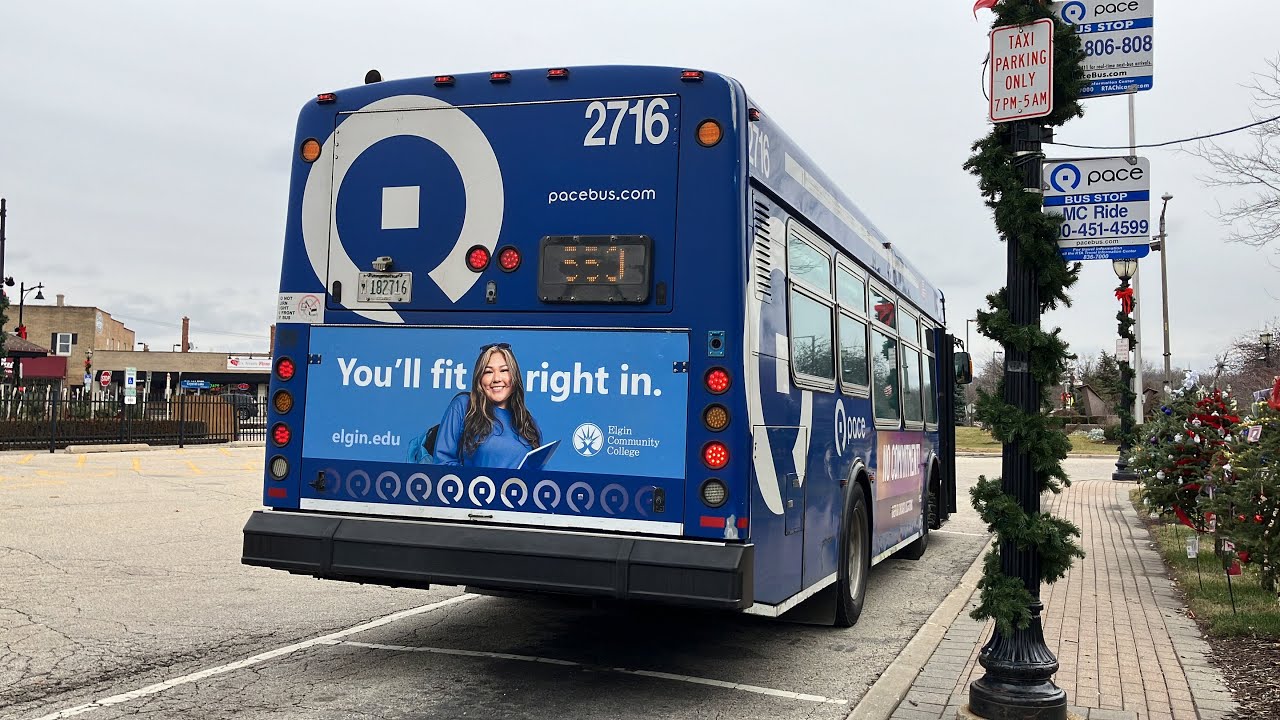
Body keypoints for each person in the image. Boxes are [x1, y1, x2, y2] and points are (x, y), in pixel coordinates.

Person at [432, 343, 542, 468]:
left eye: (504, 370)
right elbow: (443, 462)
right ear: (479, 378)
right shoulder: (464, 406)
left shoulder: (528, 423)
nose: (496, 379)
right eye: (488, 372)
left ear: (514, 378)